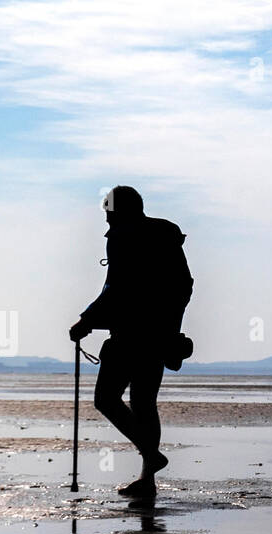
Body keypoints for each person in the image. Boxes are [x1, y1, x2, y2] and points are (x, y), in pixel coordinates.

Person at [69, 186, 192, 499]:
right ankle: (147, 480)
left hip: (129, 336)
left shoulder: (125, 236)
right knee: (143, 403)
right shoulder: (163, 235)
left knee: (106, 399)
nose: (107, 219)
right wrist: (170, 328)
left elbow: (117, 288)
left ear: (118, 210)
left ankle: (150, 456)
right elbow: (184, 287)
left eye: (109, 212)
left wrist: (86, 321)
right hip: (158, 337)